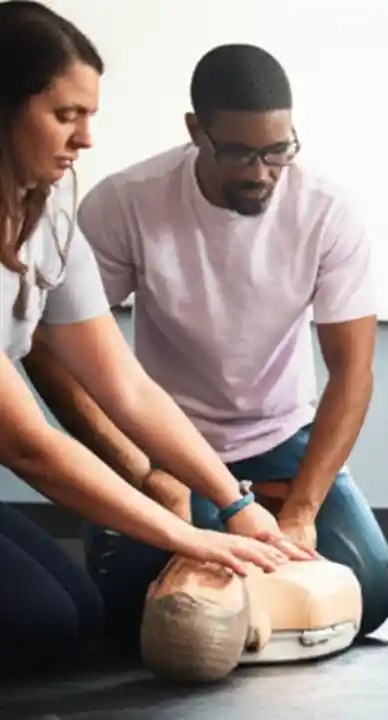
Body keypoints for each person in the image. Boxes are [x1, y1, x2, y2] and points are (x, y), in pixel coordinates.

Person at [21, 42, 388, 644]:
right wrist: (141, 469)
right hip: (167, 440)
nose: (261, 171)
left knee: (368, 594)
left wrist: (300, 511)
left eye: (278, 151)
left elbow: (353, 373)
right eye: (240, 152)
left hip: (282, 437)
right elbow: (55, 349)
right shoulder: (124, 202)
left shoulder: (328, 210)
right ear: (196, 131)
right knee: (130, 605)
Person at [0, 1, 305, 675]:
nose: (85, 139)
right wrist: (188, 536)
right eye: (65, 115)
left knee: (78, 615)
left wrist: (234, 503)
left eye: (90, 116)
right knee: (40, 624)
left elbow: (126, 387)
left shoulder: (47, 219)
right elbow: (26, 444)